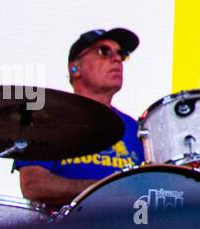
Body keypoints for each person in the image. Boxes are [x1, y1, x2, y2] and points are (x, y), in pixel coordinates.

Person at [16, 29, 144, 208]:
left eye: (121, 55)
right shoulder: (48, 119)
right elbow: (33, 186)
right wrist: (103, 189)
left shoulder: (136, 129)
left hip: (126, 223)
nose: (117, 59)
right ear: (74, 69)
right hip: (68, 224)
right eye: (104, 51)